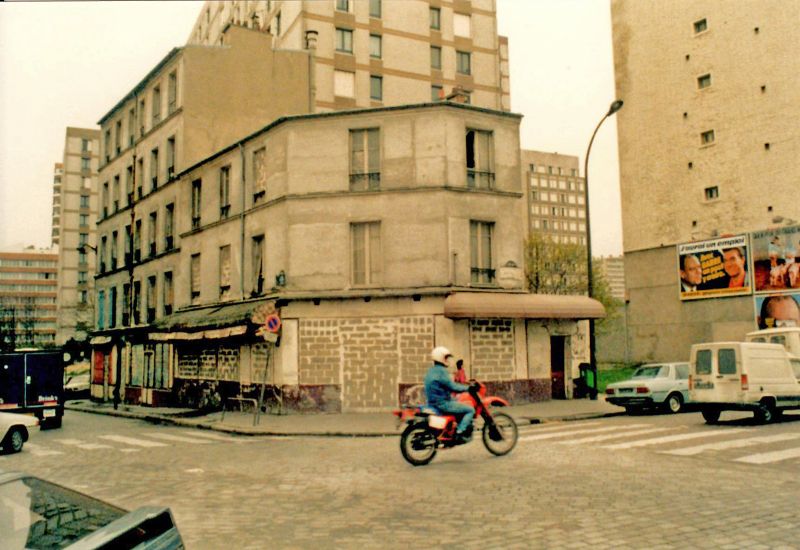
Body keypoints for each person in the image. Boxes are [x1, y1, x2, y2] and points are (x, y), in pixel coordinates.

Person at [424, 346, 475, 444]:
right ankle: (460, 432)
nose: (447, 360)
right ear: (441, 358)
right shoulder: (441, 371)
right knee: (470, 410)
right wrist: (468, 388)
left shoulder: (432, 370)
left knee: (458, 402)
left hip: (434, 402)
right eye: (446, 357)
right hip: (443, 403)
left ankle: (453, 427)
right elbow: (452, 387)